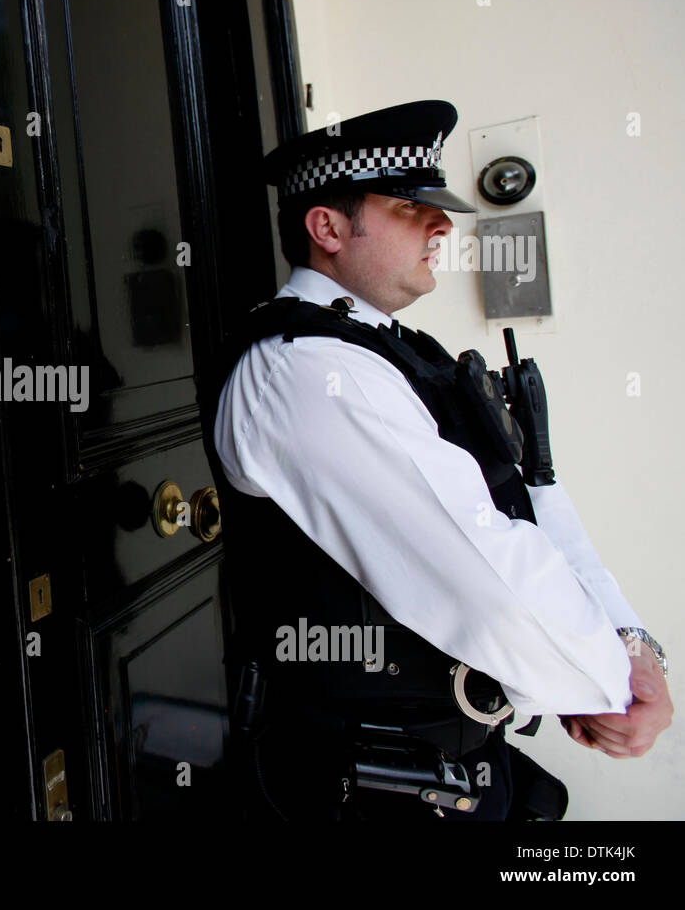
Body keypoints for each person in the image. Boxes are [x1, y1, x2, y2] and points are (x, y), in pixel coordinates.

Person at [199, 100, 671, 820]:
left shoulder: (398, 353)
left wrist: (625, 645)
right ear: (326, 227)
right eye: (408, 208)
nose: (443, 225)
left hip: (445, 759)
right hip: (367, 781)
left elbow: (527, 504)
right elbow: (481, 575)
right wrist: (607, 683)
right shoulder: (307, 372)